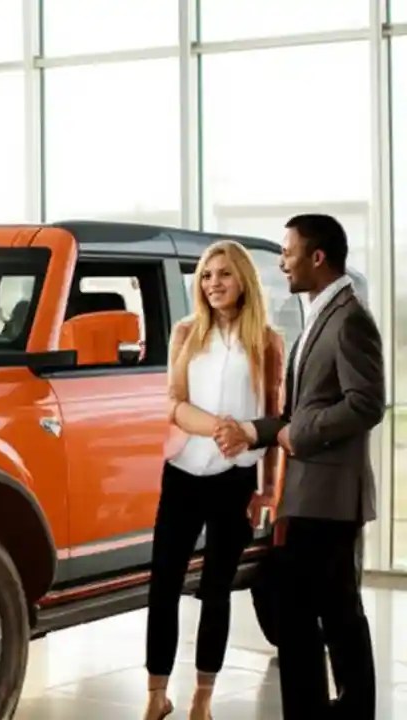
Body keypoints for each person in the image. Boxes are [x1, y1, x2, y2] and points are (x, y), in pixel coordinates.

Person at [216, 214, 383, 719]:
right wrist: (255, 430)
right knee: (333, 612)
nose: (282, 261)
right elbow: (299, 412)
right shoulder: (317, 315)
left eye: (288, 253)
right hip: (310, 492)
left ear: (317, 257)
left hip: (330, 496)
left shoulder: (351, 318)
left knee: (306, 607)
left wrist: (298, 436)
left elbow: (366, 404)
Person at [144, 240, 285, 720]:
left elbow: (273, 415)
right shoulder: (185, 333)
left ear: (242, 278)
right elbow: (172, 403)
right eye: (206, 276)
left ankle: (202, 697)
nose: (214, 284)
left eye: (223, 274)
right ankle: (155, 694)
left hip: (235, 479)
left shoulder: (266, 340)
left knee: (216, 588)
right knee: (163, 582)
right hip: (183, 472)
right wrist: (219, 428)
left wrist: (268, 488)